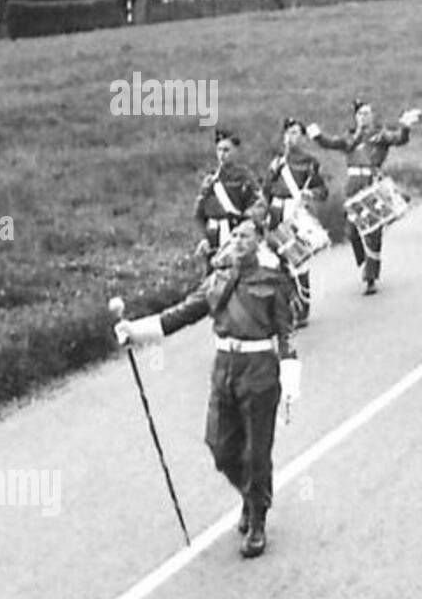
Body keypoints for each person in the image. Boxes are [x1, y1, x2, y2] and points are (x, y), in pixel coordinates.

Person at [115, 218, 298, 559]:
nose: (240, 240)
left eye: (247, 235)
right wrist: (135, 332)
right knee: (221, 447)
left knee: (256, 452)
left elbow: (286, 332)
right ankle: (249, 494)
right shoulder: (217, 281)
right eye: (237, 235)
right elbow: (180, 314)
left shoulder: (273, 282)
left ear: (260, 241)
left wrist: (290, 378)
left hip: (259, 370)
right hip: (224, 369)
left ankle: (257, 518)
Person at [308, 99, 422, 295]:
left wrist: (405, 126)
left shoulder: (380, 135)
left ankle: (371, 277)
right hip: (353, 186)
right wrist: (317, 136)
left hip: (372, 184)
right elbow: (332, 143)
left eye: (367, 113)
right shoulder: (350, 138)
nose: (364, 117)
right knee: (352, 230)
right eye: (361, 114)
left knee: (373, 231)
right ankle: (363, 262)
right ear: (355, 117)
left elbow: (399, 139)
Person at [262, 117, 330, 327]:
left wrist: (309, 194)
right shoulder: (277, 162)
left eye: (296, 133)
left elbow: (322, 190)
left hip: (295, 211)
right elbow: (265, 189)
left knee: (298, 260)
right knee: (278, 262)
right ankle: (284, 308)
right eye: (289, 133)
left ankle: (303, 308)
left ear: (303, 138)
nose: (292, 138)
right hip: (276, 211)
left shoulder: (309, 162)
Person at [194, 129, 264, 272]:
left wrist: (249, 217)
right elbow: (199, 214)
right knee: (212, 275)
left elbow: (258, 203)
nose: (222, 154)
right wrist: (203, 238)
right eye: (219, 150)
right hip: (213, 234)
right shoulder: (210, 179)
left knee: (234, 273)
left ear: (236, 152)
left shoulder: (244, 176)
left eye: (226, 150)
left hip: (234, 232)